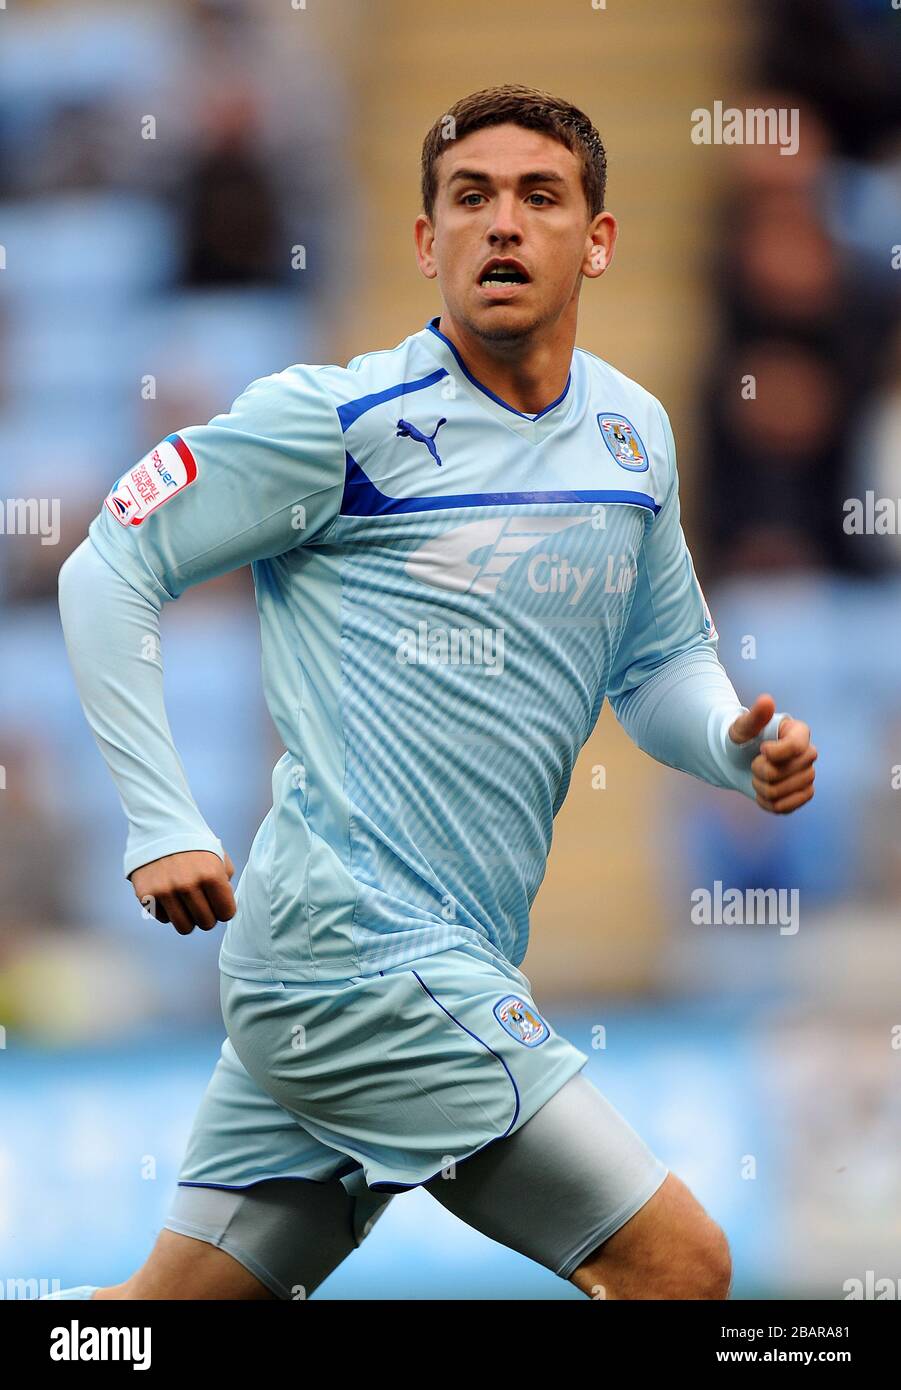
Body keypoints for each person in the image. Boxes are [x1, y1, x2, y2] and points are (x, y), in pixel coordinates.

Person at [53, 84, 816, 1302]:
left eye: (537, 197)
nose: (500, 225)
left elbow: (659, 658)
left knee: (157, 1322)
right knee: (679, 1266)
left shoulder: (632, 435)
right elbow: (107, 568)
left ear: (598, 240)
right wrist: (162, 820)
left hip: (423, 959)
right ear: (425, 242)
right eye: (470, 199)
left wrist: (733, 744)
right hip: (356, 955)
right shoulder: (339, 423)